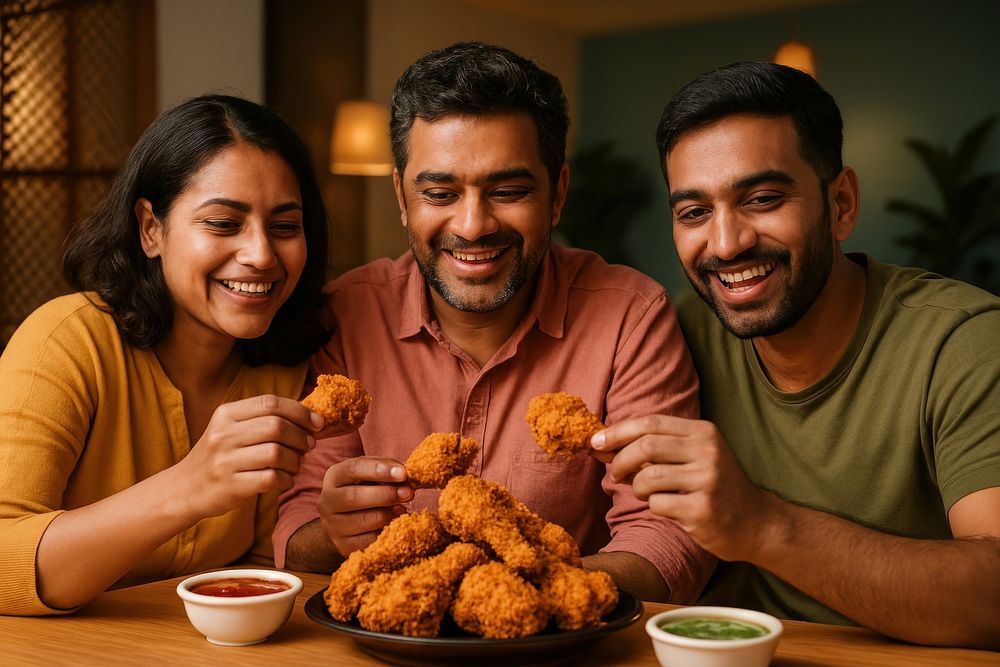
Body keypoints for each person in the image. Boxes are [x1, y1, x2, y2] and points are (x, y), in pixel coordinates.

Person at [274, 42, 714, 602]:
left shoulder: (631, 315)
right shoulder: (344, 314)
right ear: (402, 199)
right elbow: (294, 528)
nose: (474, 225)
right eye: (440, 193)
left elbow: (668, 538)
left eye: (507, 192)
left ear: (556, 196)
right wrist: (333, 531)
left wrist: (523, 600)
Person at [592, 62, 1000, 648]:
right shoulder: (672, 335)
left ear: (841, 205)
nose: (727, 243)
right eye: (694, 212)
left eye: (761, 199)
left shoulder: (964, 342)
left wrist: (761, 523)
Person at [0, 94, 333, 615]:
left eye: (285, 227)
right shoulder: (67, 341)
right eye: (224, 223)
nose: (262, 254)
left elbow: (262, 565)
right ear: (151, 229)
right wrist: (190, 486)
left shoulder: (285, 370)